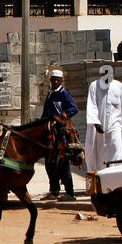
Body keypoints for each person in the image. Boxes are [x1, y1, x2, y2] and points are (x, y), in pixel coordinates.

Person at [38, 68, 79, 200]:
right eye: (53, 79)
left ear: (61, 81)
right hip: (50, 131)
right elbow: (46, 112)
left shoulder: (64, 93)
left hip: (61, 134)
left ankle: (69, 192)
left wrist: (63, 116)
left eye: (57, 80)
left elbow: (74, 108)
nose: (55, 81)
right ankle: (54, 190)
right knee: (50, 163)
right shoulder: (50, 93)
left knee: (63, 162)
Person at [85, 65, 122, 172]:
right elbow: (92, 105)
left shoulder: (118, 86)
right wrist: (96, 123)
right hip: (99, 126)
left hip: (115, 124)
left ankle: (116, 174)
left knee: (116, 148)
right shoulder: (94, 86)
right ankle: (102, 174)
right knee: (100, 152)